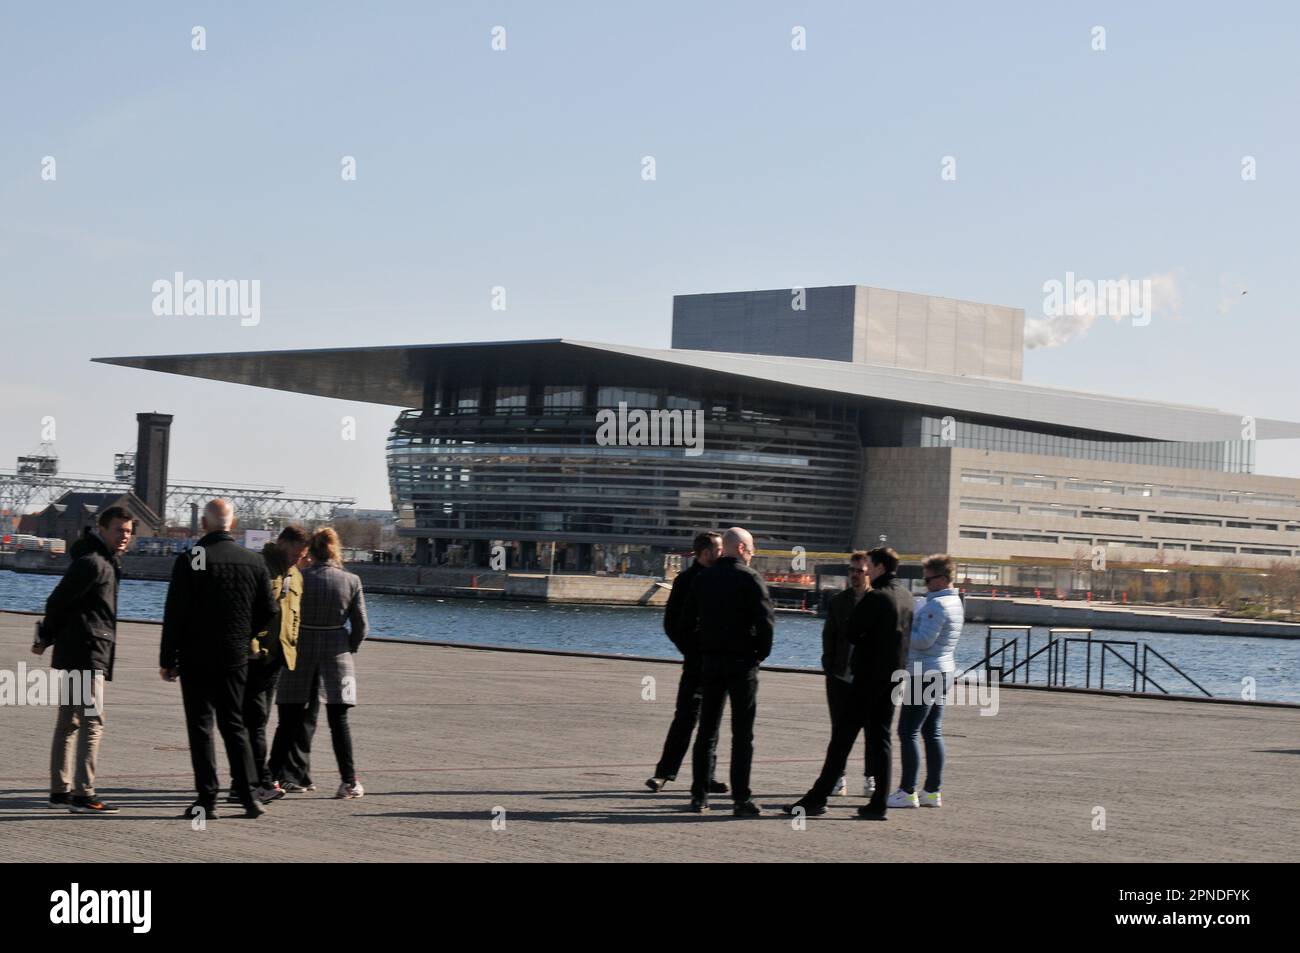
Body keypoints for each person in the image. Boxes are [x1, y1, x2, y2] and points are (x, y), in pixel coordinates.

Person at [160, 499, 276, 820]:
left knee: (201, 728)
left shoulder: (196, 557)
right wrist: (244, 634)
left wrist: (167, 657)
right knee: (234, 725)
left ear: (204, 525)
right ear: (232, 524)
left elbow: (177, 611)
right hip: (234, 657)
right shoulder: (252, 560)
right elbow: (270, 609)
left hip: (197, 656)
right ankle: (249, 796)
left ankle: (207, 799)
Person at [784, 546, 912, 820]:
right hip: (893, 677)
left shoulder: (876, 597)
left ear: (877, 567)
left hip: (866, 680)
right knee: (881, 740)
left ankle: (817, 798)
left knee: (841, 740)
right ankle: (878, 803)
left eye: (868, 565)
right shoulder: (906, 596)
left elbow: (852, 632)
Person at [37, 506, 133, 815]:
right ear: (102, 529)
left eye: (129, 532)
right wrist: (47, 635)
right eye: (119, 530)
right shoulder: (94, 564)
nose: (124, 537)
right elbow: (57, 601)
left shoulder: (101, 562)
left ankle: (59, 791)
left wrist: (50, 637)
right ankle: (83, 793)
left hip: (79, 651)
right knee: (92, 722)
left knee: (69, 722)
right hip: (86, 655)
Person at [685, 526, 774, 817]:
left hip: (710, 662)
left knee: (707, 730)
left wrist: (700, 651)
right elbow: (766, 624)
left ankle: (699, 797)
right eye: (750, 550)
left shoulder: (703, 578)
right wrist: (758, 654)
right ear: (741, 549)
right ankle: (740, 799)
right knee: (742, 733)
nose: (751, 556)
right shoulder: (750, 578)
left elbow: (687, 621)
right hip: (741, 663)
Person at [274, 528, 368, 798]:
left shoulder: (299, 577)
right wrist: (348, 647)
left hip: (300, 651)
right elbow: (362, 625)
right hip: (336, 652)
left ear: (310, 551)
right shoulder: (351, 580)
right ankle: (349, 781)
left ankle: (270, 780)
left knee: (289, 720)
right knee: (339, 721)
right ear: (335, 549)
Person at [645, 531, 728, 795]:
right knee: (685, 718)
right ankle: (664, 773)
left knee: (711, 723)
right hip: (695, 662)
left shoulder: (723, 578)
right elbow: (671, 624)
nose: (722, 553)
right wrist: (691, 650)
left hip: (719, 661)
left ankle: (707, 777)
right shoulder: (686, 581)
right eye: (718, 548)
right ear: (705, 553)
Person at [234, 525, 308, 804]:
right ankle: (255, 781)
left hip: (278, 657)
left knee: (259, 720)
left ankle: (246, 781)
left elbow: (295, 615)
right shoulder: (261, 568)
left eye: (301, 555)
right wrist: (250, 646)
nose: (297, 559)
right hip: (256, 656)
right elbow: (245, 611)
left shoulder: (296, 575)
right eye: (295, 553)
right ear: (282, 543)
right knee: (254, 721)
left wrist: (292, 642)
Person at [887, 554, 964, 809]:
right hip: (942, 670)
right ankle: (932, 790)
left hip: (924, 672)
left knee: (907, 731)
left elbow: (922, 641)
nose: (924, 583)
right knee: (932, 731)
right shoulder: (954, 602)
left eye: (928, 579)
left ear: (941, 579)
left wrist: (903, 625)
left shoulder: (937, 606)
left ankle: (907, 790)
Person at [820, 551, 873, 799]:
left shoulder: (878, 601)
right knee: (838, 730)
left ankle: (870, 778)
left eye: (859, 571)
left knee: (871, 729)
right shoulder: (839, 602)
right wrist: (830, 667)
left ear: (869, 572)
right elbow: (828, 636)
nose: (854, 575)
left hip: (868, 678)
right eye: (851, 570)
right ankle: (837, 777)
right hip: (840, 676)